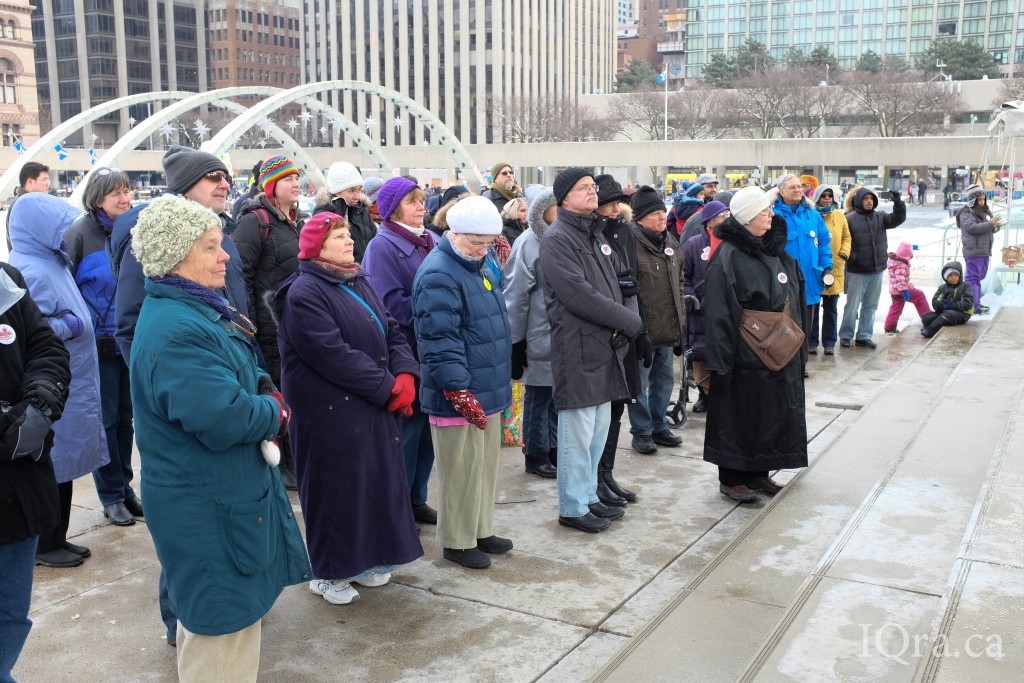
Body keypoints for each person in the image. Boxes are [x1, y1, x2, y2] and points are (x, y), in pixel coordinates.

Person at [129, 195, 310, 680]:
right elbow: (224, 416)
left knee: (225, 627)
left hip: (220, 498)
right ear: (175, 257)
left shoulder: (198, 310)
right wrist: (275, 409)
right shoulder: (178, 329)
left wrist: (264, 387)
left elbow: (242, 370)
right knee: (221, 636)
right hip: (206, 507)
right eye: (210, 247)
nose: (225, 256)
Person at [108, 144, 256, 647]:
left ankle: (223, 608)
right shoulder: (161, 239)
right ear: (185, 186)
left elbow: (234, 302)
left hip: (222, 370)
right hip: (186, 394)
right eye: (211, 177)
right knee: (190, 529)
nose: (224, 184)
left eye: (224, 176)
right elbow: (131, 323)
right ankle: (183, 620)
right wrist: (167, 391)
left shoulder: (217, 233)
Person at [273, 212, 422, 604]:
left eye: (348, 234)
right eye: (338, 236)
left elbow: (391, 329)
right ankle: (328, 573)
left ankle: (367, 561)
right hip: (329, 412)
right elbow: (332, 354)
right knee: (335, 491)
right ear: (317, 248)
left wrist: (406, 373)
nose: (348, 241)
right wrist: (388, 387)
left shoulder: (357, 279)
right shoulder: (304, 292)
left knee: (371, 485)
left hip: (367, 404)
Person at [411, 196, 514, 569]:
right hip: (459, 392)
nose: (482, 249)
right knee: (460, 471)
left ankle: (480, 529)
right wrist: (457, 389)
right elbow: (440, 340)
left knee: (483, 467)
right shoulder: (439, 273)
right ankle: (457, 540)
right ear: (453, 234)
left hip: (487, 386)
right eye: (475, 242)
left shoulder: (479, 264)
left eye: (487, 243)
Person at [540, 168, 643, 533]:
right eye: (583, 188)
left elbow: (625, 282)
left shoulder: (596, 234)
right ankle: (572, 506)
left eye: (592, 187)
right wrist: (627, 321)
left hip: (607, 345)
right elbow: (578, 294)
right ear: (564, 198)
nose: (591, 192)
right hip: (579, 347)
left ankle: (588, 495)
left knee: (598, 430)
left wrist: (628, 318)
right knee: (578, 433)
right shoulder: (557, 239)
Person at [9, 193, 109, 567]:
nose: (66, 233)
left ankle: (57, 537)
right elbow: (29, 330)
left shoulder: (51, 261)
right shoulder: (31, 270)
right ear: (38, 228)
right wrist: (70, 324)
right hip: (54, 384)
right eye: (59, 227)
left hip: (70, 379)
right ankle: (46, 544)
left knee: (62, 464)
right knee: (54, 461)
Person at [703, 186, 807, 503]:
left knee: (770, 412)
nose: (771, 215)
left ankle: (759, 469)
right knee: (739, 413)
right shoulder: (729, 256)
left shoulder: (773, 249)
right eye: (764, 211)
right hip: (744, 352)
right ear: (747, 217)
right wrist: (721, 363)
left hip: (779, 348)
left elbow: (796, 294)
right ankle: (732, 477)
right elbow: (720, 313)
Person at [0, 262, 70, 681]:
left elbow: (46, 348)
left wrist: (39, 405)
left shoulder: (6, 279)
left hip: (16, 494)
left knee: (10, 614)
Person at [362, 177, 440, 526]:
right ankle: (398, 505)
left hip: (434, 349)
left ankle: (417, 497)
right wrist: (440, 315)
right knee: (406, 434)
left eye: (421, 200)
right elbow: (389, 304)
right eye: (412, 201)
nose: (421, 206)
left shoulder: (431, 240)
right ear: (393, 209)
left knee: (428, 434)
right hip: (408, 352)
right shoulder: (382, 247)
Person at [65, 168, 141, 527]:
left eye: (127, 191)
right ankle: (111, 495)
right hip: (98, 346)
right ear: (97, 199)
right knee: (107, 421)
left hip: (130, 339)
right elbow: (66, 288)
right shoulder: (79, 235)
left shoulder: (133, 229)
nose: (125, 199)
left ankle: (125, 487)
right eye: (116, 194)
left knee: (127, 420)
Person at [233, 155, 305, 490]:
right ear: (271, 186)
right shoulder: (255, 222)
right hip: (267, 326)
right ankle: (286, 463)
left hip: (294, 322)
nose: (296, 183)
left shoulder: (294, 221)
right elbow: (241, 275)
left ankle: (297, 456)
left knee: (295, 389)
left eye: (297, 177)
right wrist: (249, 323)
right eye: (288, 179)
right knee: (278, 389)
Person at [503, 187, 558, 479]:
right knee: (538, 398)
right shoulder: (527, 243)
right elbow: (515, 295)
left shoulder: (561, 238)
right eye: (555, 207)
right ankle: (535, 453)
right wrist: (516, 341)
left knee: (555, 397)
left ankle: (552, 447)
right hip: (537, 335)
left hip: (557, 334)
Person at [594, 175, 642, 506]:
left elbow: (633, 280)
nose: (614, 210)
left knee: (618, 406)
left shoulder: (624, 231)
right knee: (602, 409)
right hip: (607, 332)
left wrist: (641, 329)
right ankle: (595, 478)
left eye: (617, 204)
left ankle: (607, 473)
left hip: (628, 328)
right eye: (608, 204)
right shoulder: (592, 235)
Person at [627, 184, 685, 454]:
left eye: (663, 211)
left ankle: (659, 425)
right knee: (638, 383)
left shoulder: (669, 240)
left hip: (668, 327)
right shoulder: (630, 242)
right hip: (643, 329)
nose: (663, 216)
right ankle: (641, 431)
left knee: (664, 380)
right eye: (655, 213)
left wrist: (681, 322)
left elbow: (679, 279)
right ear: (640, 218)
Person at [774, 174, 832, 364]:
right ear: (782, 191)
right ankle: (786, 365)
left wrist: (827, 268)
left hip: (810, 281)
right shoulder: (773, 215)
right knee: (785, 327)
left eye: (799, 187)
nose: (798, 190)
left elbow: (823, 244)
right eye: (793, 187)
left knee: (805, 327)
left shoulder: (813, 216)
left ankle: (801, 365)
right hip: (783, 283)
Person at [840, 186, 906, 349]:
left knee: (870, 305)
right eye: (865, 198)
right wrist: (854, 258)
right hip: (857, 271)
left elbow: (898, 218)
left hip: (877, 270)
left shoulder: (880, 216)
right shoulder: (849, 219)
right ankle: (846, 335)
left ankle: (864, 336)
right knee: (852, 306)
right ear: (858, 201)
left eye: (871, 199)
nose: (869, 201)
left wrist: (898, 203)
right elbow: (843, 242)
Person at [683, 200, 730, 413]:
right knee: (701, 355)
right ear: (709, 221)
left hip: (726, 309)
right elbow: (683, 277)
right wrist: (695, 300)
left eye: (727, 215)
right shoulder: (694, 244)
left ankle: (721, 396)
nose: (726, 219)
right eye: (722, 215)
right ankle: (704, 394)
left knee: (722, 353)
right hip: (700, 311)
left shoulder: (732, 242)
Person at [811, 185, 851, 355]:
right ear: (817, 198)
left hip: (834, 268)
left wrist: (843, 253)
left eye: (830, 196)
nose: (827, 199)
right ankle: (811, 342)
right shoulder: (811, 216)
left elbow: (847, 237)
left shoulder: (840, 216)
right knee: (812, 309)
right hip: (814, 268)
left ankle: (829, 343)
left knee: (831, 309)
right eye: (823, 196)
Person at [314, 161, 378, 262]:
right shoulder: (324, 217)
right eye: (351, 191)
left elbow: (375, 244)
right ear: (336, 191)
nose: (357, 196)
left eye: (359, 190)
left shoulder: (362, 211)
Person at [957, 185, 1004, 316]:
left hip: (983, 250)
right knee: (972, 278)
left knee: (978, 278)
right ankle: (971, 305)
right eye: (980, 200)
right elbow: (972, 228)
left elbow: (988, 229)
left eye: (984, 199)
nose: (983, 202)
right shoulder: (966, 213)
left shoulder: (982, 213)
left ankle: (975, 303)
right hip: (974, 251)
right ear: (973, 200)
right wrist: (990, 223)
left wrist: (996, 224)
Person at [884, 242, 931, 333]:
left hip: (895, 290)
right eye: (910, 255)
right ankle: (929, 320)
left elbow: (904, 250)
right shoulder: (900, 264)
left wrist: (911, 248)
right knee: (919, 295)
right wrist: (905, 291)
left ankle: (889, 328)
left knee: (896, 308)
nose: (910, 257)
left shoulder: (895, 260)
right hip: (901, 290)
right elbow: (900, 279)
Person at [5, 162, 51, 252]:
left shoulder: (29, 202)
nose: (48, 184)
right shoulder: (22, 205)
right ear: (30, 181)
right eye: (44, 180)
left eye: (48, 180)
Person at [921, 262, 973, 337]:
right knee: (926, 317)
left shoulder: (965, 287)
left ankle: (930, 330)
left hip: (962, 313)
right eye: (950, 275)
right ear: (946, 277)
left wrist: (951, 306)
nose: (953, 278)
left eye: (956, 275)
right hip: (945, 311)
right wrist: (940, 305)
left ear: (960, 275)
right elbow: (935, 301)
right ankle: (931, 326)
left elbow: (967, 303)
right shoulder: (942, 288)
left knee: (948, 315)